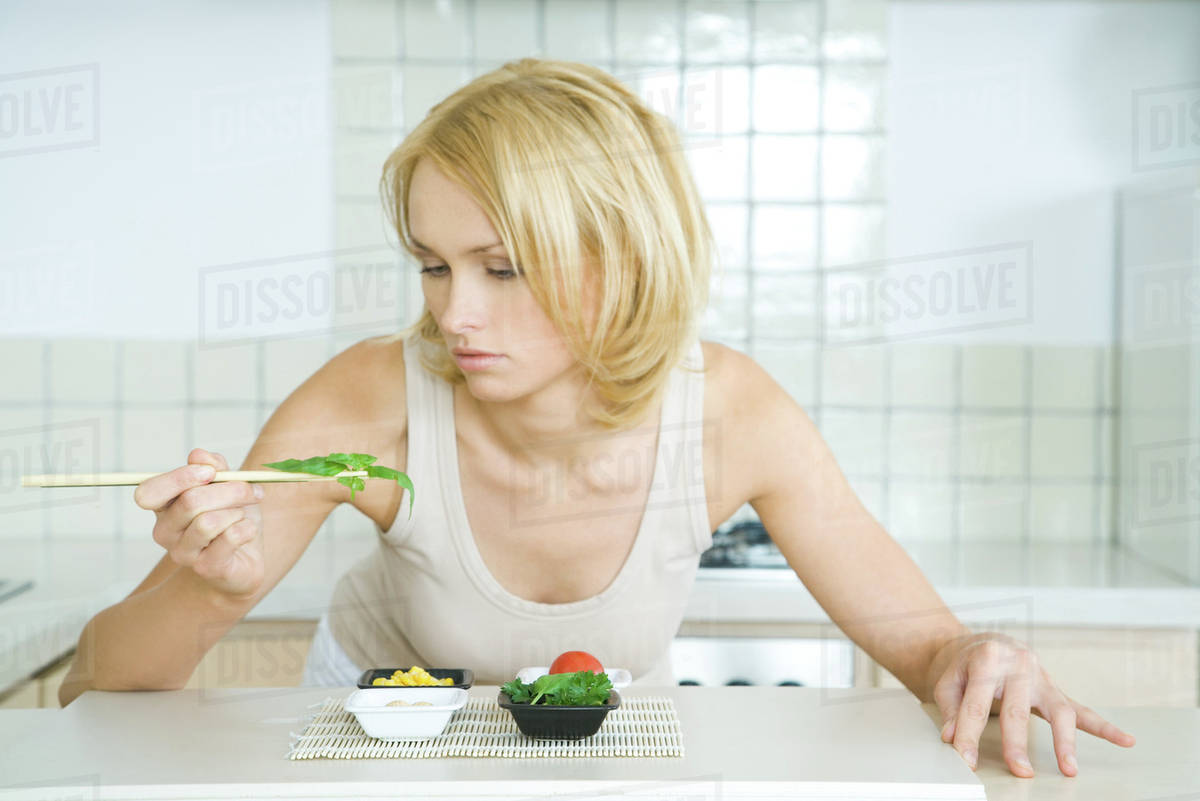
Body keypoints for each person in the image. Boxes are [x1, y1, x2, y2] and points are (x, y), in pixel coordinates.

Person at [58, 58, 1133, 778]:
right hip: (380, 746)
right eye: (432, 265)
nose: (451, 315)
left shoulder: (733, 412)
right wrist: (208, 583)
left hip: (613, 745)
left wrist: (980, 657)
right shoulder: (373, 396)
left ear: (626, 261)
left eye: (504, 269)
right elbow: (101, 684)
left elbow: (926, 646)